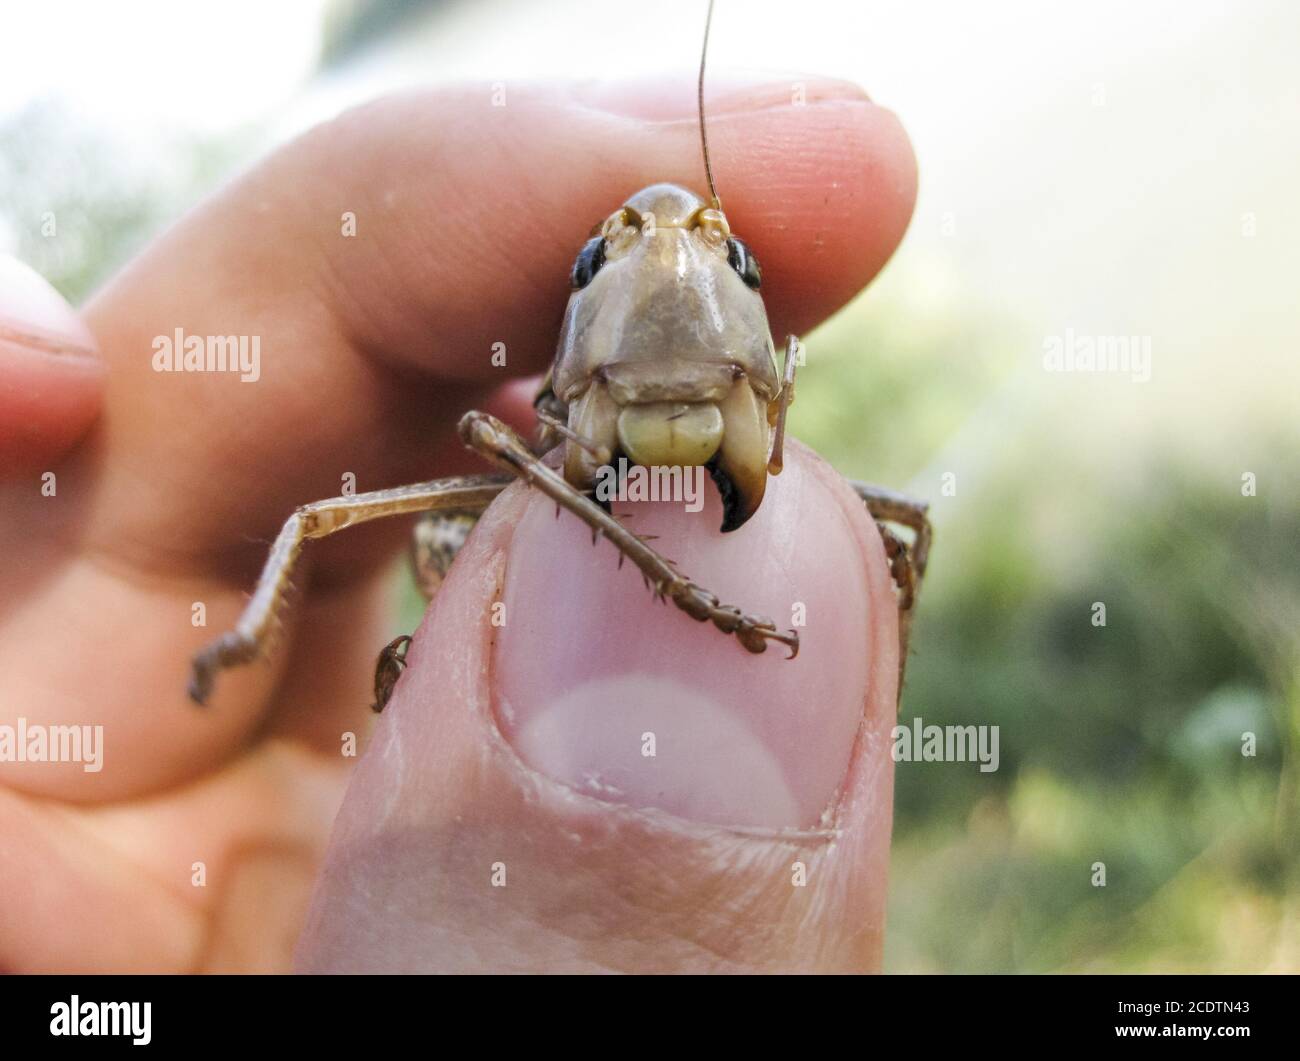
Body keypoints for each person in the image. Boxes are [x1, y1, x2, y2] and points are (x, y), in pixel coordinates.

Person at [0, 76, 917, 972]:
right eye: (603, 264)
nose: (670, 267)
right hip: (557, 452)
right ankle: (242, 643)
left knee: (902, 531)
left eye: (729, 265)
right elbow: (321, 517)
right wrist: (241, 641)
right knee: (382, 524)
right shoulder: (533, 413)